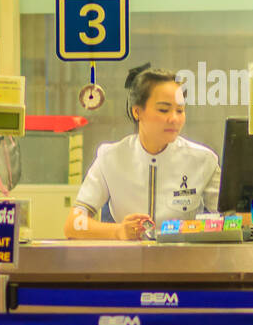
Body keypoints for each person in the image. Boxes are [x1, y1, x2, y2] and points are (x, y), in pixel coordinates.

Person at [64, 64, 220, 240]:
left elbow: (231, 218)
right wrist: (118, 231)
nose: (174, 118)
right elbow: (73, 225)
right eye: (163, 110)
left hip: (184, 261)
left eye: (180, 110)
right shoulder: (110, 157)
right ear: (137, 112)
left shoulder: (203, 160)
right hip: (125, 263)